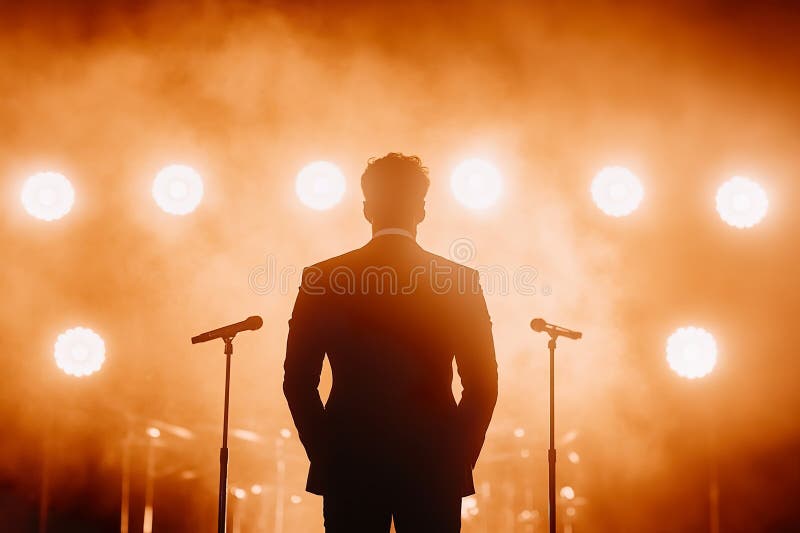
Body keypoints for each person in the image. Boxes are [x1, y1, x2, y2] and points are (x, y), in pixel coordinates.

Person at [284, 153, 498, 532]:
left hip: (350, 464)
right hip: (433, 465)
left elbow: (298, 382)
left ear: (367, 209)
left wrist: (327, 454)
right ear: (421, 210)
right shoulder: (459, 280)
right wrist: (455, 457)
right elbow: (483, 384)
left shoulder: (323, 277)